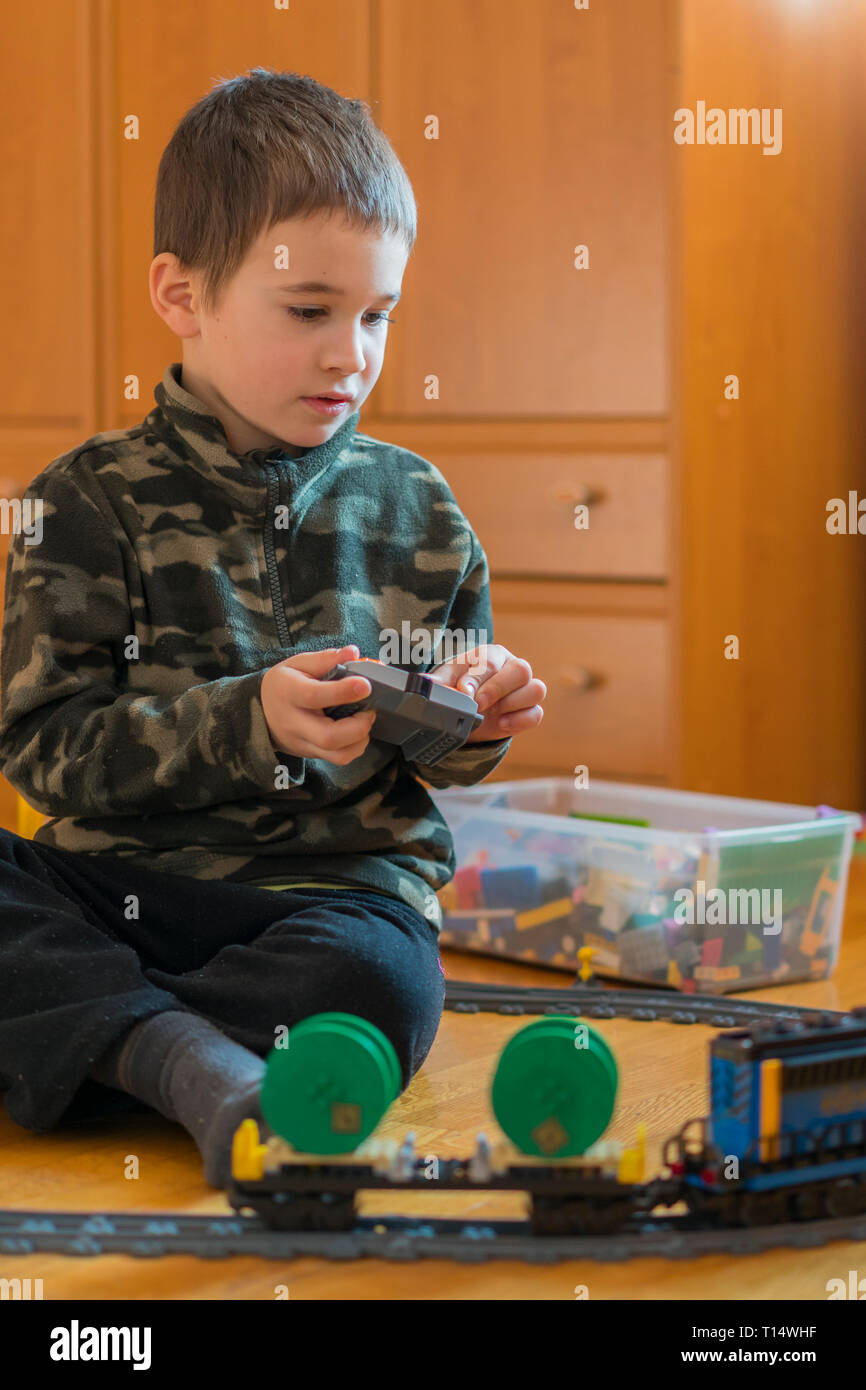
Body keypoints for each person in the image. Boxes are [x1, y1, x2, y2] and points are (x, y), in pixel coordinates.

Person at [0, 69, 546, 1187]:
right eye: (309, 311)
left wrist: (478, 718)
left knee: (380, 982)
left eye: (377, 314)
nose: (351, 352)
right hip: (125, 894)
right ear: (182, 295)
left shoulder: (418, 507)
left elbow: (437, 754)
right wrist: (249, 721)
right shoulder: (84, 501)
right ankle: (188, 1058)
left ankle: (112, 1044)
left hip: (330, 903)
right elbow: (43, 750)